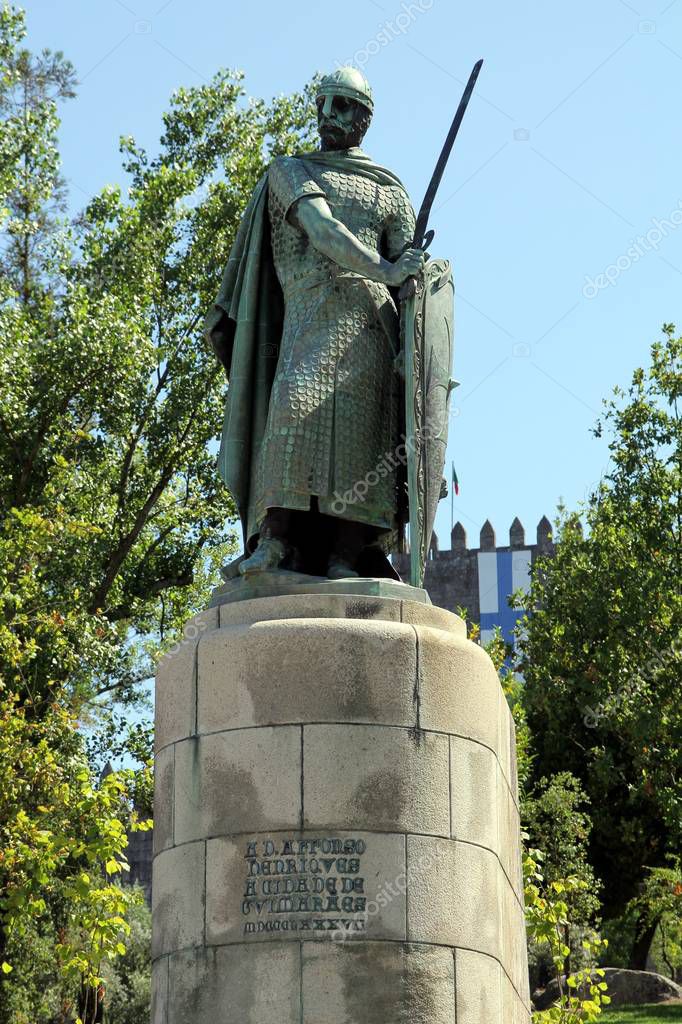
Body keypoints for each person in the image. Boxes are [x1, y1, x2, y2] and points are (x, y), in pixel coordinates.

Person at [205, 67, 424, 579]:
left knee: (362, 440)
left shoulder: (390, 191)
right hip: (307, 320)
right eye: (323, 102)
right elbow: (324, 229)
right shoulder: (290, 171)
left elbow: (411, 277)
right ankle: (276, 541)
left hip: (371, 327)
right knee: (292, 416)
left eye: (342, 104)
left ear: (365, 117)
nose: (328, 114)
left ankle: (348, 554)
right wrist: (390, 268)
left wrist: (412, 278)